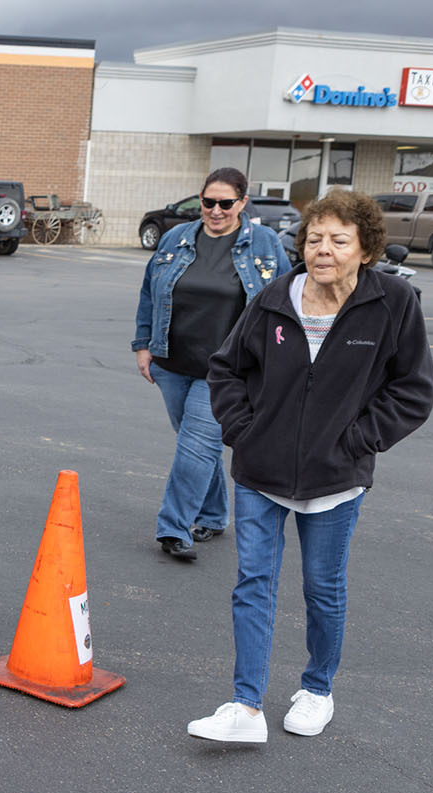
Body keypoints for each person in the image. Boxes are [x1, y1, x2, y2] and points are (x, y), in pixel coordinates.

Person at [187, 190, 433, 743]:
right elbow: (226, 369)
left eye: (339, 240)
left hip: (336, 478)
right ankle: (245, 706)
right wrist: (243, 432)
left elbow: (413, 391)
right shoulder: (277, 296)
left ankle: (317, 689)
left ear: (365, 250)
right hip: (260, 472)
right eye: (315, 238)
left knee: (323, 588)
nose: (324, 250)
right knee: (253, 582)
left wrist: (357, 442)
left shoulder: (393, 302)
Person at [133, 167, 288, 562]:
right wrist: (143, 344)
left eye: (226, 203)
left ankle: (173, 527)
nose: (216, 211)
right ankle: (215, 513)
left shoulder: (265, 243)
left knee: (196, 446)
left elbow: (287, 301)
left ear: (242, 203)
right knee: (195, 444)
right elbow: (151, 293)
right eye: (208, 202)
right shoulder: (176, 238)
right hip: (171, 360)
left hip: (226, 369)